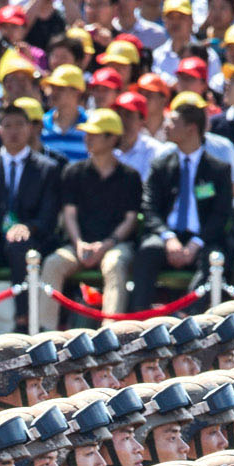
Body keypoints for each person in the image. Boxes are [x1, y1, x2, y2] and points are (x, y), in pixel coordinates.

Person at [0, 100, 60, 334]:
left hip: (30, 242)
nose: (13, 131)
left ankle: (23, 322)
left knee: (20, 244)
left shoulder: (47, 168)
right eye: (8, 125)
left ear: (30, 128)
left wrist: (28, 227)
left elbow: (48, 217)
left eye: (19, 125)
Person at [44, 105, 144, 322]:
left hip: (115, 245)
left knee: (115, 265)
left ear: (111, 139)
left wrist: (106, 245)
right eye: (87, 133)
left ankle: (111, 335)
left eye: (94, 134)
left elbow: (130, 219)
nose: (87, 138)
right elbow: (69, 214)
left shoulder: (130, 177)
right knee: (52, 263)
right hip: (79, 245)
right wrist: (79, 244)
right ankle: (45, 335)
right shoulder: (73, 172)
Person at [130, 101, 232, 314]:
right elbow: (149, 208)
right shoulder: (161, 166)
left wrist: (196, 243)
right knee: (148, 250)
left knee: (214, 259)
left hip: (202, 239)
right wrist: (169, 238)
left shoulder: (218, 169)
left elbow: (220, 214)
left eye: (173, 121)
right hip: (167, 237)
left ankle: (189, 318)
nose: (166, 125)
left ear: (191, 128)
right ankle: (140, 318)